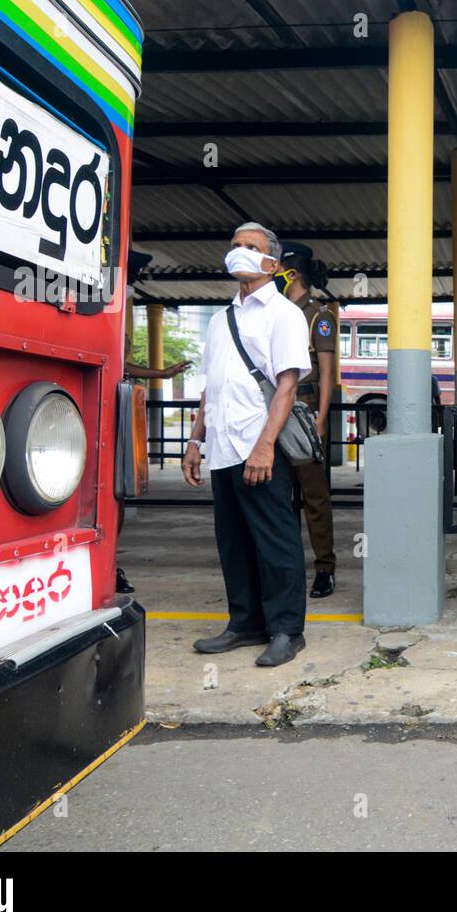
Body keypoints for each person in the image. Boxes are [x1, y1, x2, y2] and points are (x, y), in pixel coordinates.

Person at [182, 222, 311, 667]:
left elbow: (287, 387)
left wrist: (264, 446)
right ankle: (245, 623)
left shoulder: (284, 314)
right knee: (233, 541)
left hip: (258, 445)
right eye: (234, 244)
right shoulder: (221, 320)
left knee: (275, 540)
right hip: (221, 447)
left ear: (272, 263)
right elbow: (210, 387)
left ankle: (286, 630)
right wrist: (196, 439)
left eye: (251, 247)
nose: (239, 252)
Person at [116, 250, 190, 594]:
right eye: (136, 270)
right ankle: (106, 562)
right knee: (109, 490)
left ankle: (109, 561)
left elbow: (124, 364)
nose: (139, 276)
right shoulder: (108, 300)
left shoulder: (124, 303)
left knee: (118, 491)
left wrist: (163, 373)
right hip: (102, 408)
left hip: (117, 407)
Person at [279, 243, 337, 599]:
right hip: (274, 411)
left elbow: (328, 373)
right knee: (278, 496)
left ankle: (325, 569)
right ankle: (286, 566)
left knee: (314, 496)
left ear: (292, 274)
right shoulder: (274, 313)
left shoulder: (319, 315)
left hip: (305, 412)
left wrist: (322, 418)